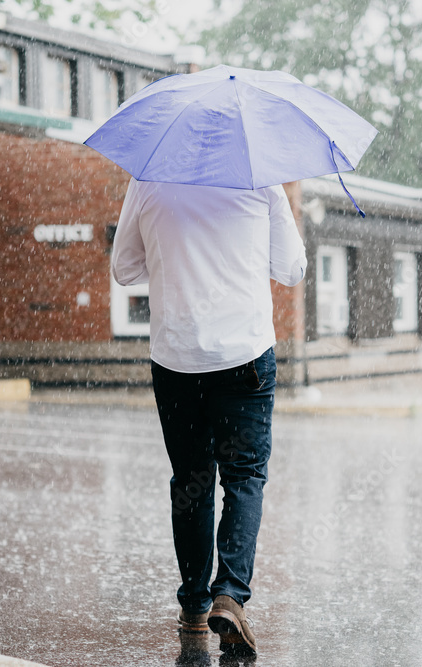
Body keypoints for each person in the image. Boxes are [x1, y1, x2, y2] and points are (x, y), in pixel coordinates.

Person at [111, 177, 307, 656]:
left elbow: (124, 268)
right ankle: (230, 596)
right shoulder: (259, 176)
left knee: (191, 479)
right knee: (243, 478)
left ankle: (195, 605)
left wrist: (176, 258)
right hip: (244, 355)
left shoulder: (148, 178)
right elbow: (293, 268)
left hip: (177, 356)